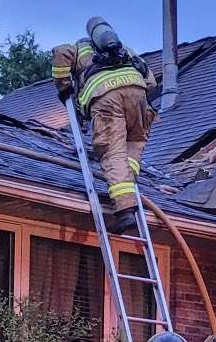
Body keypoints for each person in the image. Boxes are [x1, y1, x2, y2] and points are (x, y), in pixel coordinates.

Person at [53, 17, 156, 235]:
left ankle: (125, 209)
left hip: (106, 98)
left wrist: (64, 87)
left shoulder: (79, 49)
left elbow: (61, 53)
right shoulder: (125, 50)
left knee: (112, 152)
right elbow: (151, 81)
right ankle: (128, 185)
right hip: (138, 96)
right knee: (134, 143)